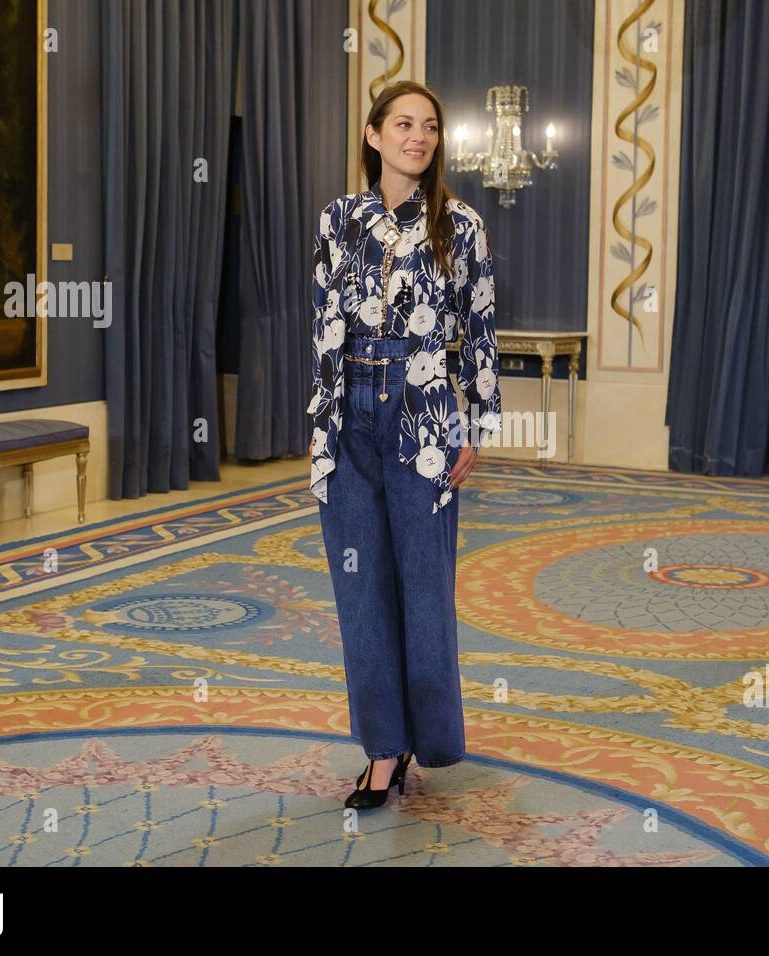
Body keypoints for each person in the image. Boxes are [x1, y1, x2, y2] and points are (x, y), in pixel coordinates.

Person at [309, 80, 502, 811]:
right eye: (402, 124)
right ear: (372, 134)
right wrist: (323, 432)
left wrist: (476, 425)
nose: (417, 136)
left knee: (423, 591)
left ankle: (434, 736)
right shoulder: (337, 221)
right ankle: (383, 752)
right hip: (348, 422)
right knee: (361, 594)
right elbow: (325, 333)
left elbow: (478, 332)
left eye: (428, 126)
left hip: (422, 421)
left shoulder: (463, 225)